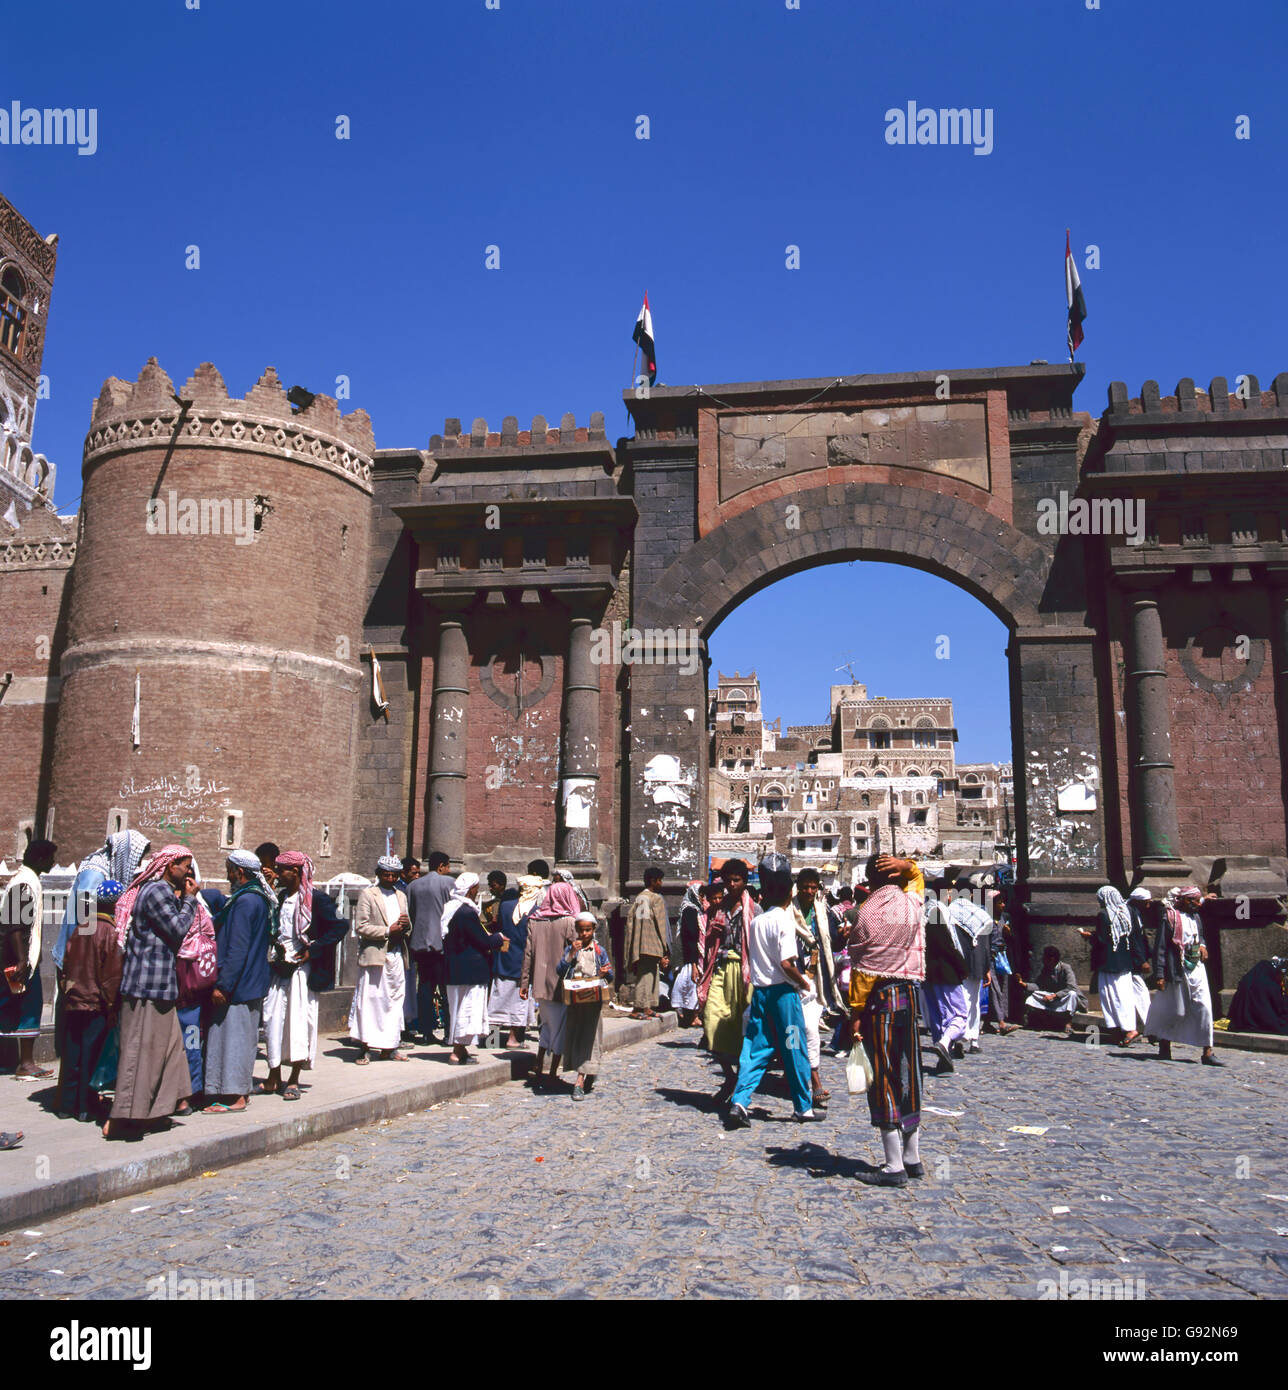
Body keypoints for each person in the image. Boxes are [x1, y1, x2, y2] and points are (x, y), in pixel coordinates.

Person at [105, 846, 202, 1138]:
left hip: (161, 987)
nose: (188, 872)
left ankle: (159, 1110)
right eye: (185, 866)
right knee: (141, 1053)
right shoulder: (157, 892)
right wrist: (190, 900)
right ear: (170, 865)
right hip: (146, 986)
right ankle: (124, 1117)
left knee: (170, 1051)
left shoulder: (161, 892)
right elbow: (176, 929)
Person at [847, 853, 927, 1186]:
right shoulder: (912, 903)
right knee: (909, 1071)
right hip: (908, 996)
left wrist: (854, 1014)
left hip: (878, 1002)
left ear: (869, 882)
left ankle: (893, 1165)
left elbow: (862, 973)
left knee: (883, 1076)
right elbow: (918, 878)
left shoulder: (867, 913)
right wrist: (907, 866)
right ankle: (913, 1157)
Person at [726, 854, 821, 1129]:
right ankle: (803, 1108)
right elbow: (786, 964)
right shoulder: (784, 921)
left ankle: (740, 1101)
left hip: (760, 995)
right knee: (794, 1049)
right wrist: (804, 982)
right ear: (791, 892)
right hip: (783, 997)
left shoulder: (757, 921)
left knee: (756, 1049)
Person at [260, 851, 346, 1099]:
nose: (278, 874)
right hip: (279, 969)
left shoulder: (317, 900)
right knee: (273, 1021)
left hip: (301, 972)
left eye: (281, 870)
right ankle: (273, 1075)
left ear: (295, 872)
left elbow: (339, 927)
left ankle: (294, 1078)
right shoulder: (281, 897)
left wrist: (313, 950)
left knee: (298, 1023)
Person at [203, 850, 274, 1110]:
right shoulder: (256, 899)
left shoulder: (246, 902)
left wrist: (224, 985)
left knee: (234, 1039)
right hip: (249, 982)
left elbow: (238, 948)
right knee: (238, 1038)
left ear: (239, 872)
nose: (227, 874)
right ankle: (232, 1092)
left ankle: (234, 1096)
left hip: (239, 984)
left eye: (229, 869)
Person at [54, 878, 124, 1121]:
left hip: (74, 999)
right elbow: (111, 977)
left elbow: (67, 963)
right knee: (91, 1055)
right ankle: (86, 1106)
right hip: (96, 1003)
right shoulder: (110, 933)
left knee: (72, 1053)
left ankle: (65, 1105)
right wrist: (113, 1006)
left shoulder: (82, 927)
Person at [698, 859, 755, 1104]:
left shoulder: (754, 910)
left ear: (744, 882)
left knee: (742, 1030)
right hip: (720, 968)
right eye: (728, 880)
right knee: (711, 1021)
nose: (731, 885)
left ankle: (740, 1084)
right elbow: (709, 938)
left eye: (736, 880)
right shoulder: (718, 909)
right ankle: (729, 1075)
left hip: (745, 973)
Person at [0, 839, 58, 1079]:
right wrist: (23, 959)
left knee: (11, 1008)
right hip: (20, 959)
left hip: (17, 956)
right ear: (41, 859)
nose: (54, 863)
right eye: (51, 858)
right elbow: (15, 924)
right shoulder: (25, 884)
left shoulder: (26, 880)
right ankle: (26, 1063)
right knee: (28, 1008)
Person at [1145, 886, 1222, 1066]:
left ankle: (1207, 1051)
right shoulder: (1170, 918)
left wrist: (1203, 946)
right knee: (1174, 1009)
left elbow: (1200, 936)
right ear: (1186, 901)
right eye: (1195, 901)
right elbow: (1161, 948)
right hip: (1176, 970)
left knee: (1204, 1006)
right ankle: (1164, 1046)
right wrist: (1160, 974)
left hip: (1196, 967)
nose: (1198, 903)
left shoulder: (1196, 916)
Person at [350, 855, 410, 1064]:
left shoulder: (401, 896)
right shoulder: (369, 895)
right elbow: (361, 926)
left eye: (394, 876)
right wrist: (386, 930)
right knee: (370, 1000)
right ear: (379, 874)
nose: (391, 879)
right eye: (387, 875)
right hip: (376, 956)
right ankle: (365, 1047)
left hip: (396, 956)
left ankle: (389, 1046)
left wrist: (404, 925)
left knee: (393, 1001)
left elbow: (407, 925)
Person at [441, 872, 507, 1063]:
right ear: (471, 890)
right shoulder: (466, 913)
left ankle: (460, 1049)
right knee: (467, 1009)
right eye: (476, 887)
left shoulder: (451, 908)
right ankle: (457, 1050)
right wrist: (498, 939)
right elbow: (481, 940)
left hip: (454, 969)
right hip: (470, 970)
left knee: (458, 1008)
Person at [520, 877, 579, 1088]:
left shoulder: (535, 921)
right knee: (560, 1029)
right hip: (561, 986)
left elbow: (528, 954)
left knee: (544, 1025)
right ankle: (553, 1071)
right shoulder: (569, 923)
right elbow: (575, 954)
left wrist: (524, 983)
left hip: (539, 984)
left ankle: (538, 1063)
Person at [1080, 885, 1151, 1046]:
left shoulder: (1103, 915)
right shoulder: (1128, 913)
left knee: (1111, 997)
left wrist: (1089, 936)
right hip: (1125, 963)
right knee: (1123, 996)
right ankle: (1121, 1029)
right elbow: (1132, 939)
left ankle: (1127, 1029)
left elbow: (1102, 940)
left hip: (1108, 963)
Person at [554, 911, 613, 1100]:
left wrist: (605, 973)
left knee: (591, 1039)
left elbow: (609, 974)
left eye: (588, 930)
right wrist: (570, 954)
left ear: (594, 930)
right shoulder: (572, 949)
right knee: (577, 1037)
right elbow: (560, 970)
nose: (585, 934)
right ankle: (586, 1071)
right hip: (576, 1001)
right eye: (581, 931)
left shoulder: (599, 951)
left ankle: (580, 1079)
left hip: (593, 1002)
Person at [791, 867, 835, 1109]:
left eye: (813, 887)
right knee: (791, 1031)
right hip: (791, 975)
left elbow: (829, 939)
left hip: (814, 978)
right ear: (798, 887)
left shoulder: (821, 911)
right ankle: (797, 1076)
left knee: (809, 1028)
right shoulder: (789, 911)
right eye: (805, 887)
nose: (809, 891)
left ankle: (815, 1079)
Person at [921, 882, 969, 1073]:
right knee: (959, 1015)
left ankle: (943, 1058)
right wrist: (962, 965)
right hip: (945, 972)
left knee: (938, 1017)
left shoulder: (924, 912)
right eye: (949, 892)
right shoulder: (937, 912)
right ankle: (945, 1042)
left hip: (928, 973)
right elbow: (946, 945)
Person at [408, 850, 454, 1044]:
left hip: (419, 944)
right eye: (448, 866)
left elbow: (410, 913)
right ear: (441, 866)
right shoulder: (448, 883)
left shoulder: (413, 886)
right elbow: (452, 912)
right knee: (445, 991)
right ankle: (448, 1033)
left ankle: (426, 1032)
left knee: (425, 988)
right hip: (441, 944)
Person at [946, 880, 993, 1055]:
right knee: (974, 1001)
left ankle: (957, 1038)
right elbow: (986, 944)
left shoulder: (949, 913)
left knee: (958, 1002)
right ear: (972, 894)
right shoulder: (981, 914)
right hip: (976, 964)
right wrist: (987, 967)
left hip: (957, 964)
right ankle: (973, 1039)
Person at [626, 866, 668, 1020]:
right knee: (647, 977)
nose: (661, 883)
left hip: (641, 943)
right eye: (660, 880)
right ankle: (638, 1008)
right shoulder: (656, 898)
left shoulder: (639, 897)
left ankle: (647, 1006)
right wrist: (665, 946)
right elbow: (661, 923)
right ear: (653, 881)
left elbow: (632, 921)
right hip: (653, 943)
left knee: (649, 974)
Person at [1017, 946, 1083, 1033]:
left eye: (1044, 958)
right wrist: (1024, 984)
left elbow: (1071, 987)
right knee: (1034, 994)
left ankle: (1068, 1023)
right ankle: (1036, 1019)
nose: (1042, 960)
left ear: (1051, 959)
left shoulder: (1066, 968)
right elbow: (1039, 985)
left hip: (1063, 997)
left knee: (1072, 994)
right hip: (1053, 997)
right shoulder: (1046, 969)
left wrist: (1054, 995)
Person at [671, 881, 709, 1028]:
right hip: (690, 955)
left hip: (692, 954)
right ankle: (692, 1016)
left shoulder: (693, 909)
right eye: (700, 895)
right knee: (691, 984)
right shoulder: (691, 911)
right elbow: (691, 936)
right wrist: (693, 962)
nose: (702, 898)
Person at [1227, 956, 1288, 1035]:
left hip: (1240, 1021)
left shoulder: (1249, 978)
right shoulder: (1271, 985)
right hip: (1263, 1021)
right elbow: (1280, 1008)